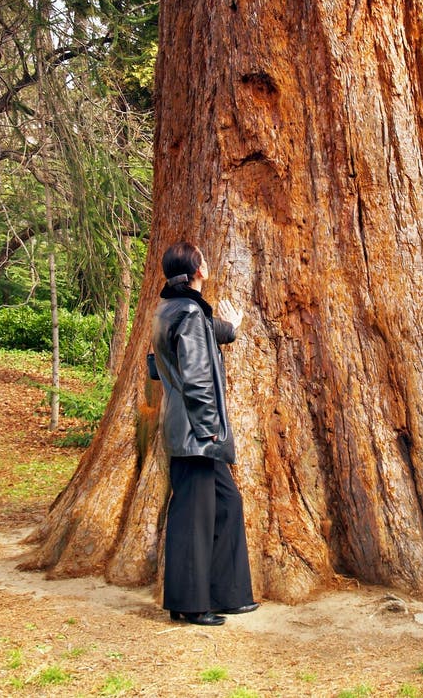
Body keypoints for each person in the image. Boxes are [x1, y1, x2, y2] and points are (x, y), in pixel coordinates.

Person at [152, 240, 259, 626]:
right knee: (193, 517)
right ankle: (189, 606)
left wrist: (230, 329)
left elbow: (182, 350)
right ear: (197, 270)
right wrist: (210, 429)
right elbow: (197, 379)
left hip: (185, 430)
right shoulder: (189, 314)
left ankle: (227, 594)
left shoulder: (171, 310)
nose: (208, 263)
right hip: (197, 434)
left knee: (227, 505)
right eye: (204, 259)